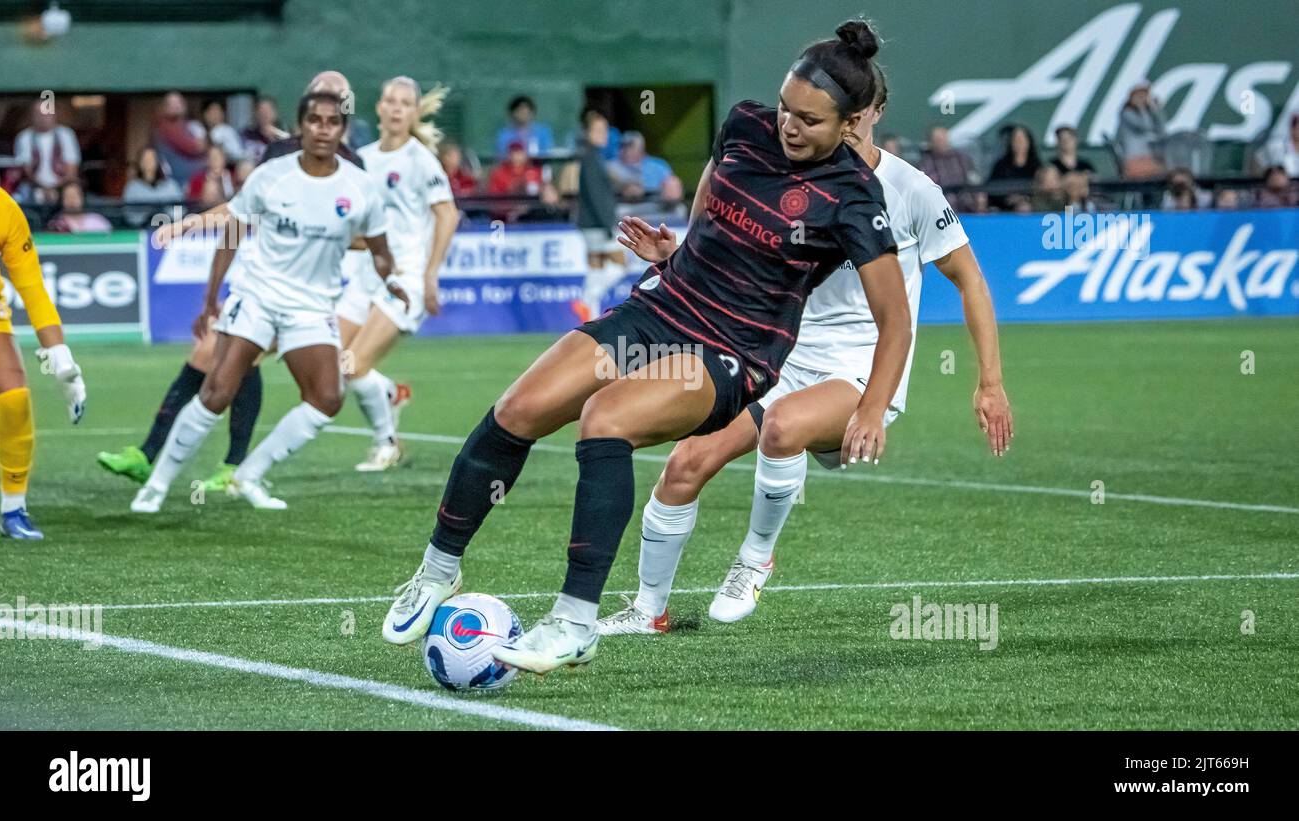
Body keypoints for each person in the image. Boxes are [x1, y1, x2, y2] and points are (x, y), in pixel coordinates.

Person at [380, 20, 908, 675]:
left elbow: (897, 320)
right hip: (663, 305)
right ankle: (437, 569)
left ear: (851, 121)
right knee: (520, 407)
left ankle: (574, 621)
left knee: (607, 418)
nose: (789, 125)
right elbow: (711, 203)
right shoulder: (745, 124)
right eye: (784, 107)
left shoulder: (855, 197)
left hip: (734, 351)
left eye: (809, 119)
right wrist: (680, 251)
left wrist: (871, 407)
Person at [598, 62, 1011, 635]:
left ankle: (754, 559)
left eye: (854, 117)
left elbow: (970, 280)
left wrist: (988, 383)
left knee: (783, 427)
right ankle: (648, 612)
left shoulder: (911, 190)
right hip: (775, 350)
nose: (833, 129)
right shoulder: (787, 174)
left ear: (870, 115)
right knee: (686, 462)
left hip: (858, 368)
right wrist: (680, 254)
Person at [130, 91, 400, 514]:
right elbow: (233, 232)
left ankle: (248, 474)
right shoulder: (271, 175)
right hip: (258, 295)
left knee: (327, 398)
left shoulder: (360, 186)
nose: (322, 128)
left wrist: (393, 280)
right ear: (301, 126)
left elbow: (379, 248)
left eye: (332, 122)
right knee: (217, 392)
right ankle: (157, 485)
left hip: (311, 307)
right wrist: (210, 300)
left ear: (342, 130)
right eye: (314, 120)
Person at [335, 77, 456, 471]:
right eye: (391, 100)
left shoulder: (420, 160)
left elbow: (447, 215)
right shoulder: (363, 158)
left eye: (406, 102)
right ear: (380, 107)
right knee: (331, 365)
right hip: (365, 275)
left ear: (414, 112)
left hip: (404, 280)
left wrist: (430, 274)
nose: (397, 107)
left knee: (353, 365)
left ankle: (386, 444)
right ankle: (389, 393)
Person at [0, 188, 87, 539]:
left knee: (14, 394)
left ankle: (13, 506)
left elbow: (33, 288)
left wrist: (61, 360)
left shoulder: (5, 209)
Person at [563, 107, 625, 323]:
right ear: (588, 132)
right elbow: (596, 194)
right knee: (620, 266)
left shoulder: (590, 155)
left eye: (605, 130)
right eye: (598, 130)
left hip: (589, 223)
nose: (603, 135)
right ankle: (588, 299)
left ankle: (590, 315)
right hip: (598, 223)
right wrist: (609, 224)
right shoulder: (591, 157)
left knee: (595, 267)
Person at [13, 100, 80, 205]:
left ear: (54, 114)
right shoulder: (24, 137)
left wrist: (55, 188)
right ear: (32, 116)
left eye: (47, 113)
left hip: (61, 188)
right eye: (39, 113)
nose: (43, 117)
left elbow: (72, 169)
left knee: (72, 192)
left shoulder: (66, 134)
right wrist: (44, 189)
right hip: (33, 188)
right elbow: (25, 170)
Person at [1116, 82, 1165, 179]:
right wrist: (1142, 108)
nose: (1143, 98)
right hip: (1134, 160)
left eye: (1145, 95)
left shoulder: (1149, 113)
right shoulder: (1127, 113)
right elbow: (1145, 127)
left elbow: (1162, 132)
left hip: (1149, 158)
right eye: (1139, 95)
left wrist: (1156, 110)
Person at [606, 131, 676, 199]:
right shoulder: (610, 166)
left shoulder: (658, 166)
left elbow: (673, 186)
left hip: (657, 204)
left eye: (631, 147)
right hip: (623, 204)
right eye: (623, 146)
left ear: (641, 149)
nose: (626, 151)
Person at [988, 124, 1041, 211]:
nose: (1019, 143)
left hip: (1032, 209)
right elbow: (992, 189)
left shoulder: (1037, 165)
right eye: (1016, 139)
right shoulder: (1001, 165)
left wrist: (1026, 199)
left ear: (1028, 142)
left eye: (1022, 139)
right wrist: (1008, 199)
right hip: (1004, 209)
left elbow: (1042, 189)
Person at [241, 96, 289, 165]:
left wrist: (273, 137)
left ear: (275, 113)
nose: (265, 114)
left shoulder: (284, 131)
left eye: (268, 110)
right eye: (261, 110)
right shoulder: (248, 134)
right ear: (256, 113)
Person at [46, 183, 110, 233]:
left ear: (83, 198)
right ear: (62, 200)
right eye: (67, 197)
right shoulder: (56, 225)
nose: (71, 200)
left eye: (75, 196)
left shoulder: (97, 220)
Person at [201, 99, 246, 163]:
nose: (216, 115)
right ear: (205, 114)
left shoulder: (225, 129)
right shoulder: (200, 130)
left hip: (233, 164)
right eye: (212, 112)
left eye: (218, 111)